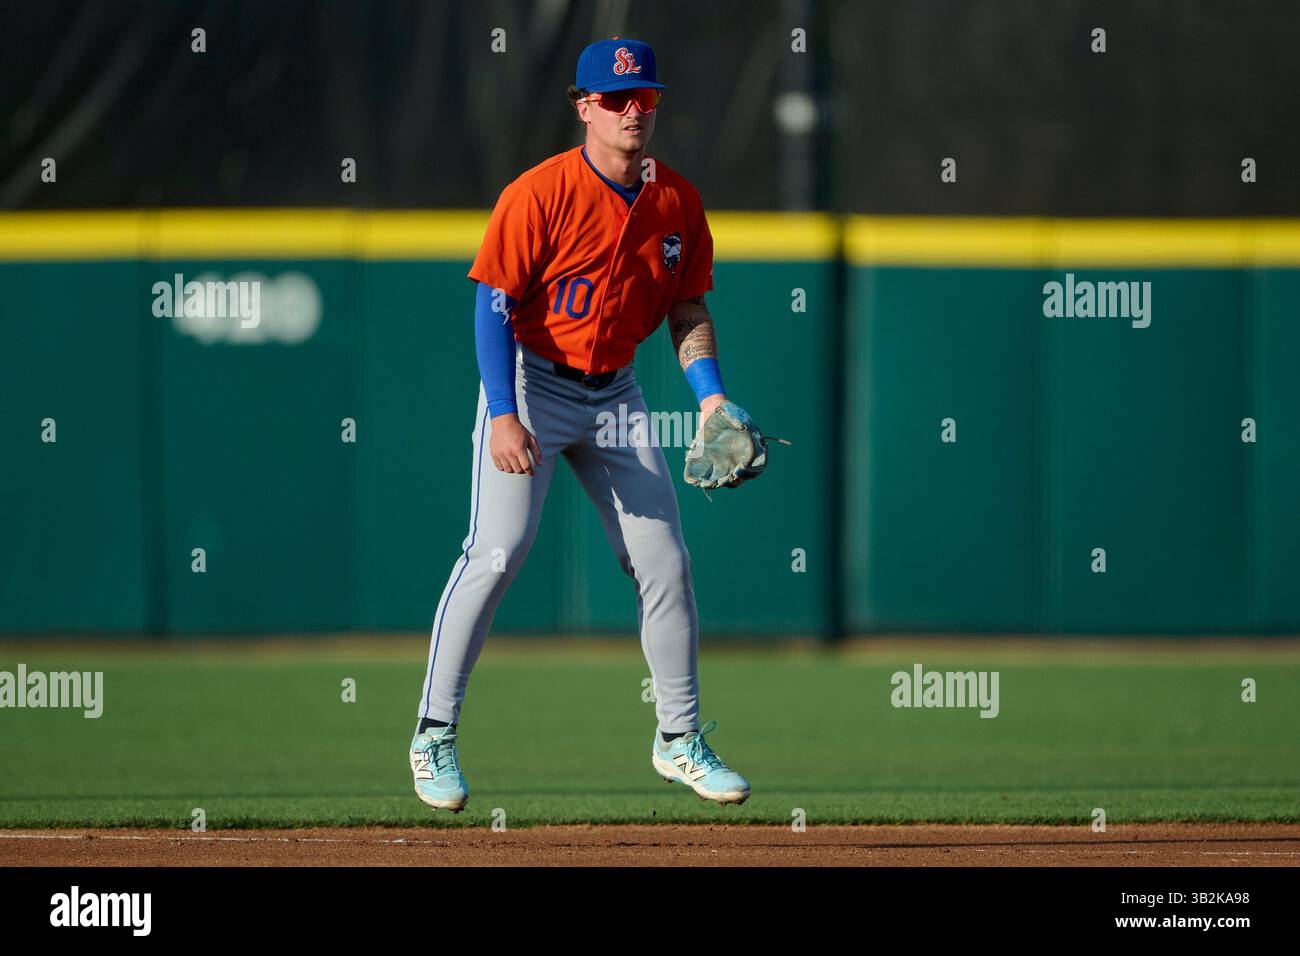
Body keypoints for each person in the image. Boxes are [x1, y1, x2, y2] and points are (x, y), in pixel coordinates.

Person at [410, 37, 755, 812]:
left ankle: (679, 740)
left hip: (618, 395)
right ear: (584, 108)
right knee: (496, 553)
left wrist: (710, 398)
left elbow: (686, 306)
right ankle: (433, 733)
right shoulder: (538, 193)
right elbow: (492, 302)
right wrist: (501, 412)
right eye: (615, 99)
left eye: (645, 99)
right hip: (533, 382)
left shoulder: (677, 202)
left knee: (665, 562)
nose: (634, 112)